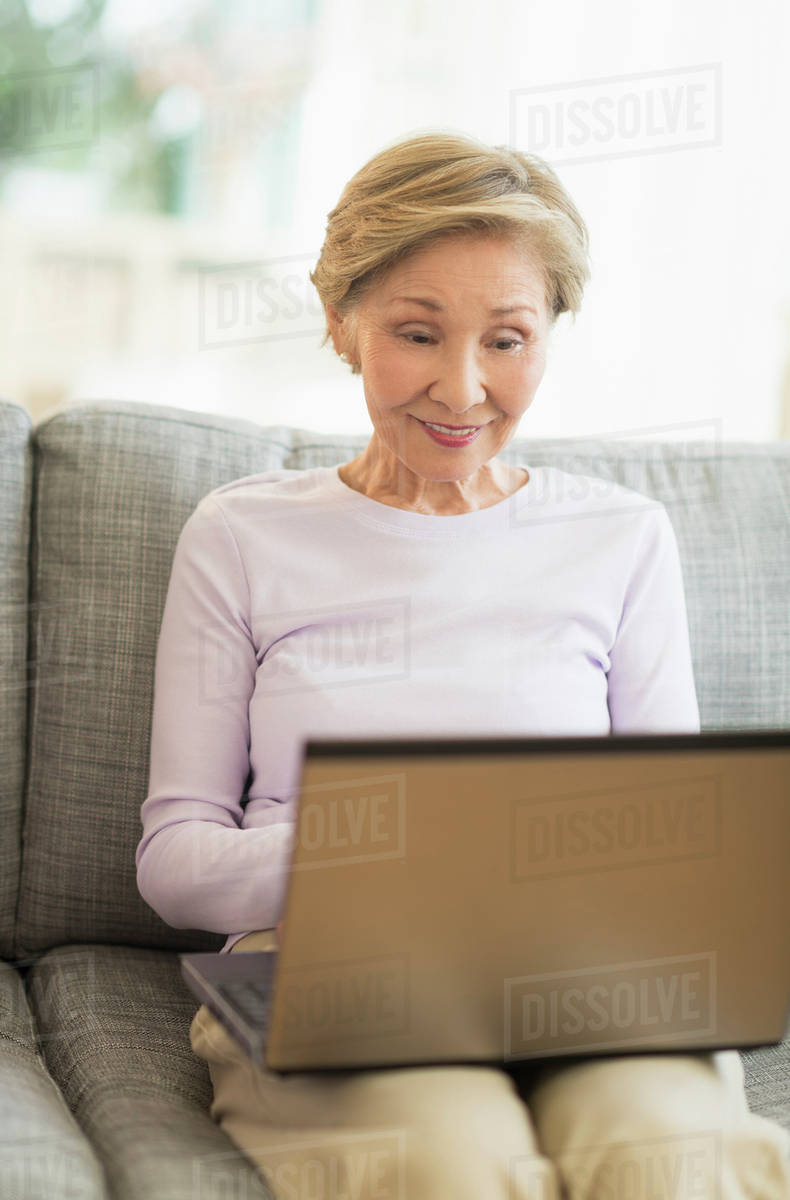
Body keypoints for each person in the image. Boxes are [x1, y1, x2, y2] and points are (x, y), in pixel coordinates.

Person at [135, 131, 790, 1199]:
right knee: (451, 1161)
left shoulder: (621, 537)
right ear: (342, 322)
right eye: (415, 333)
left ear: (547, 339)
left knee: (671, 1155)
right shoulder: (242, 535)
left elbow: (683, 844)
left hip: (585, 977)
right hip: (329, 975)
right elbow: (173, 862)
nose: (461, 388)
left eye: (506, 340)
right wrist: (393, 851)